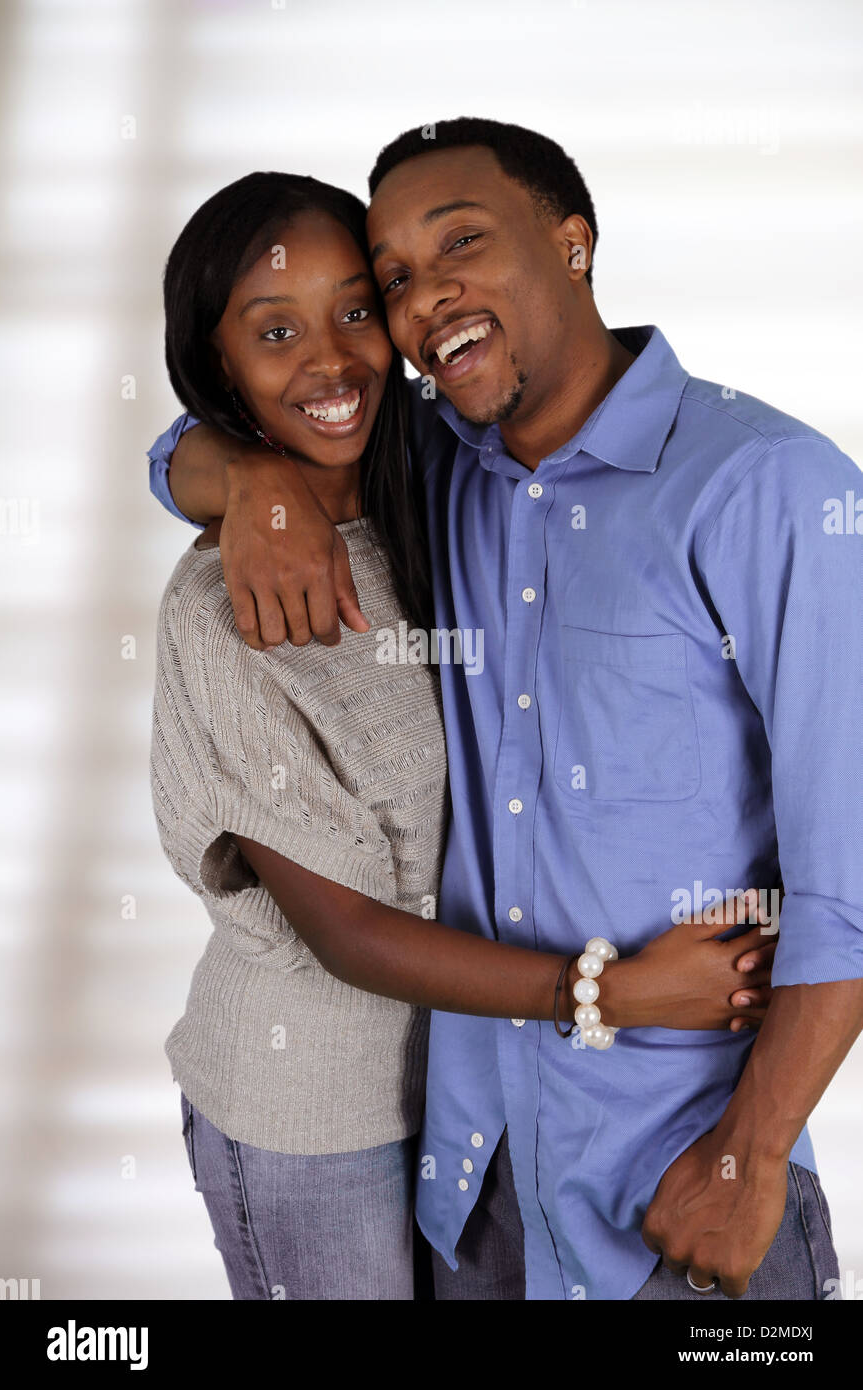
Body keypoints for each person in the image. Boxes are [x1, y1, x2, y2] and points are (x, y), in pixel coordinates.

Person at [149, 122, 862, 1301]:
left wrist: (749, 1156)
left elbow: (847, 884)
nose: (425, 299)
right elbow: (232, 421)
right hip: (471, 1195)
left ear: (571, 241)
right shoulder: (442, 467)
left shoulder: (769, 489)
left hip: (676, 1188)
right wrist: (251, 480)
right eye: (397, 279)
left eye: (461, 243)